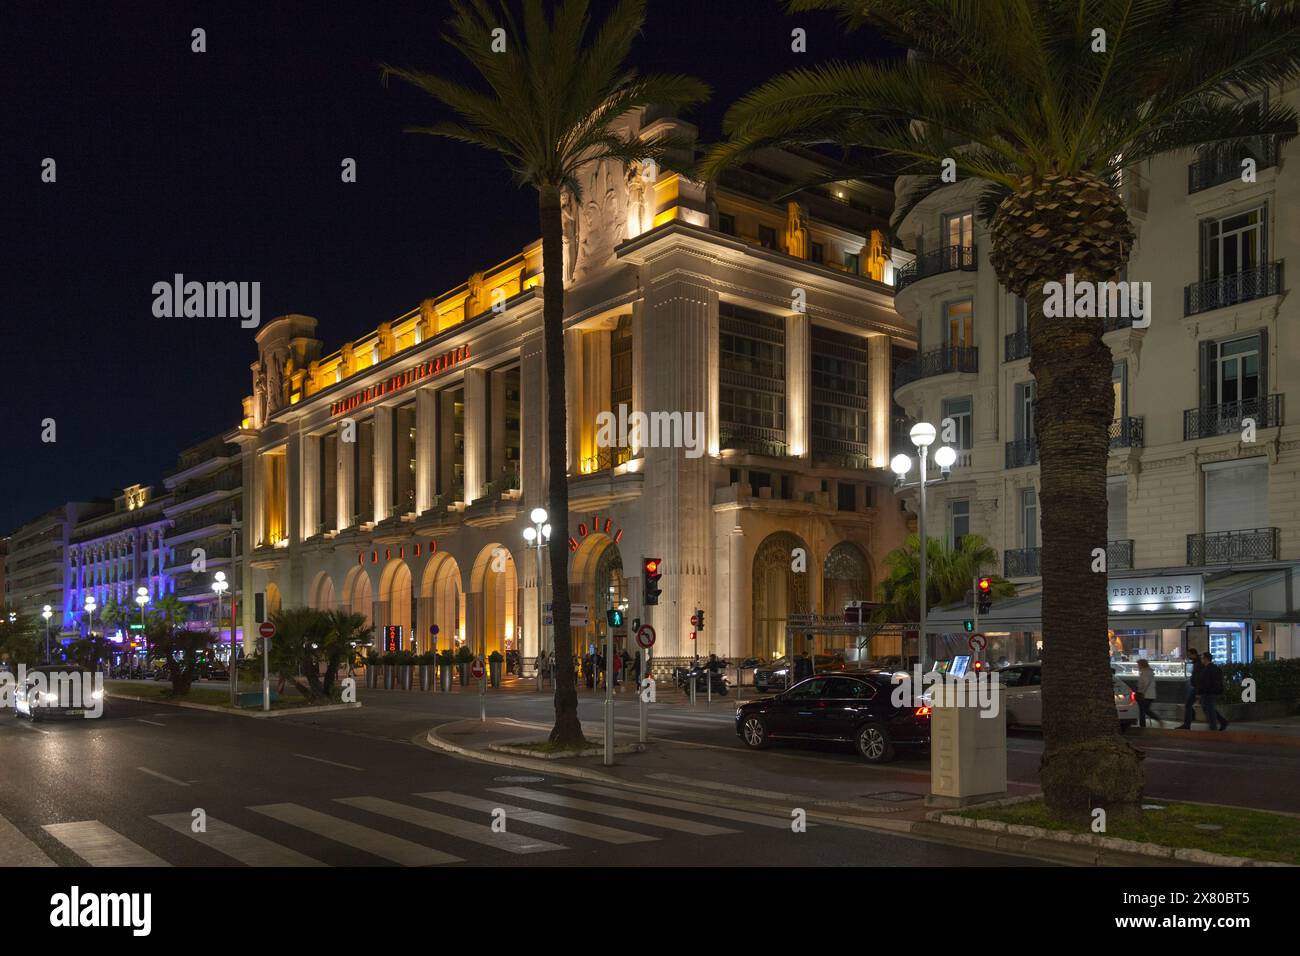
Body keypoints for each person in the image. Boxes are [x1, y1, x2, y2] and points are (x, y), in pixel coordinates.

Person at [1197, 652, 1229, 731]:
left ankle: (1213, 727)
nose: (1201, 660)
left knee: (1209, 709)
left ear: (1206, 659)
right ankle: (1222, 722)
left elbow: (1209, 681)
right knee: (1208, 708)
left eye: (1202, 658)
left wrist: (1203, 691)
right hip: (1210, 692)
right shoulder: (1212, 667)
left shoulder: (1209, 668)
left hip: (1209, 692)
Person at [1177, 647, 1202, 729]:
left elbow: (1198, 678)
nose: (1188, 656)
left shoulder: (1198, 663)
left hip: (1196, 688)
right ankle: (1188, 722)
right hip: (1196, 687)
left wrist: (1198, 692)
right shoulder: (1196, 662)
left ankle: (1187, 724)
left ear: (1193, 654)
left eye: (1189, 655)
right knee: (1207, 706)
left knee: (1188, 705)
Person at [1136, 659, 1160, 728]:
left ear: (1141, 665)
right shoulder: (1148, 672)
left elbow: (1145, 684)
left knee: (1143, 711)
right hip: (1149, 694)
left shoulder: (1145, 672)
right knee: (1143, 710)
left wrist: (1141, 691)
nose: (1137, 666)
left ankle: (1143, 726)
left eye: (1138, 664)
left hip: (1145, 695)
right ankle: (1143, 726)